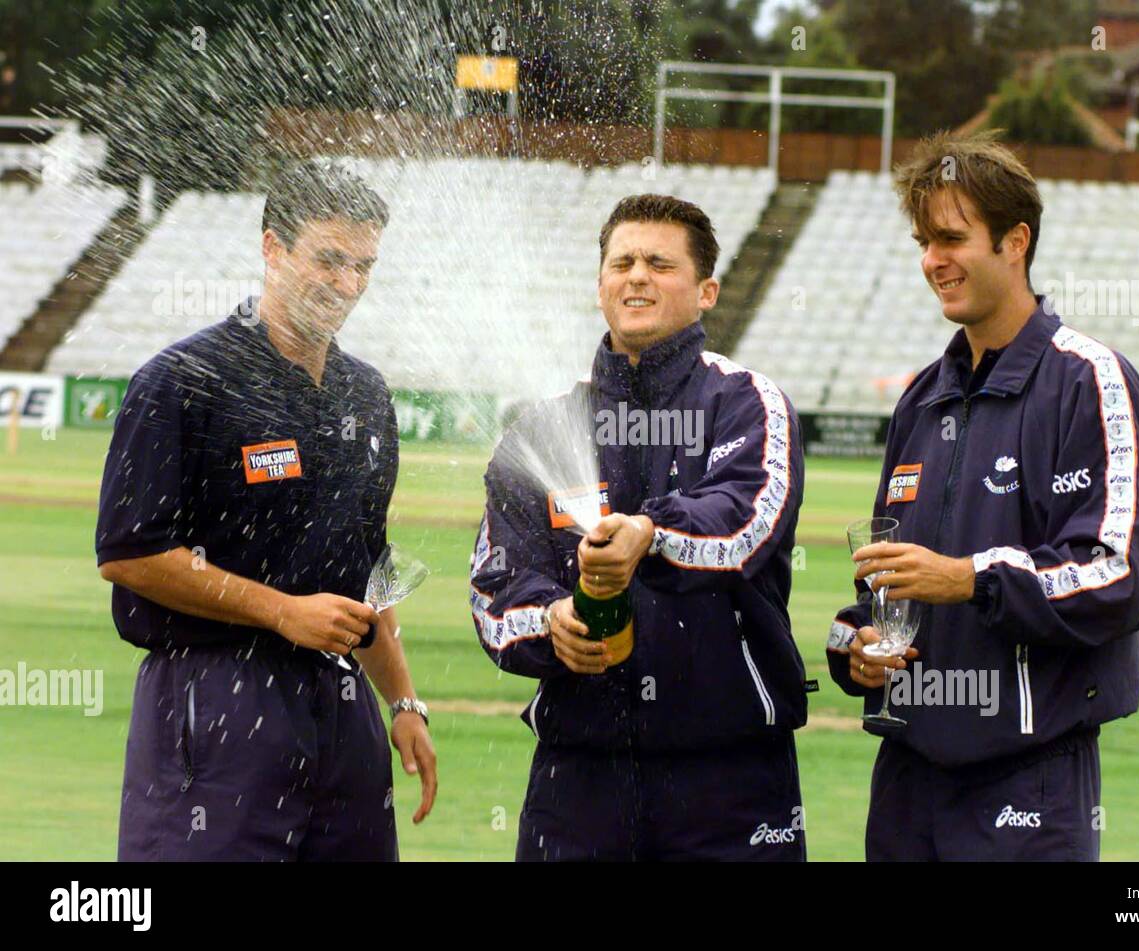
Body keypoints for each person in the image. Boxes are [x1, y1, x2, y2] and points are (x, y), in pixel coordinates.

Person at [825, 131, 1139, 861]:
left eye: (951, 238)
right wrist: (851, 644)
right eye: (923, 241)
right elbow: (889, 591)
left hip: (1028, 781)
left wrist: (970, 577)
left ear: (1016, 241)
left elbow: (1121, 573)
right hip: (905, 780)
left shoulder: (1089, 379)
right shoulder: (922, 396)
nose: (932, 261)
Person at [97, 161, 436, 860]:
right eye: (329, 259)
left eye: (363, 265)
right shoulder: (182, 380)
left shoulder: (365, 394)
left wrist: (402, 701)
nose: (347, 284)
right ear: (272, 247)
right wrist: (283, 610)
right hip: (215, 693)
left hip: (343, 707)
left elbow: (369, 561)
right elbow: (128, 553)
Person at [470, 194, 810, 861]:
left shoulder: (745, 401)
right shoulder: (540, 430)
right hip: (579, 776)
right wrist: (553, 621)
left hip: (728, 774)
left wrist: (649, 534)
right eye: (622, 261)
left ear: (707, 290)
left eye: (660, 263)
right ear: (600, 284)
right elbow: (494, 591)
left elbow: (745, 520)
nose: (637, 275)